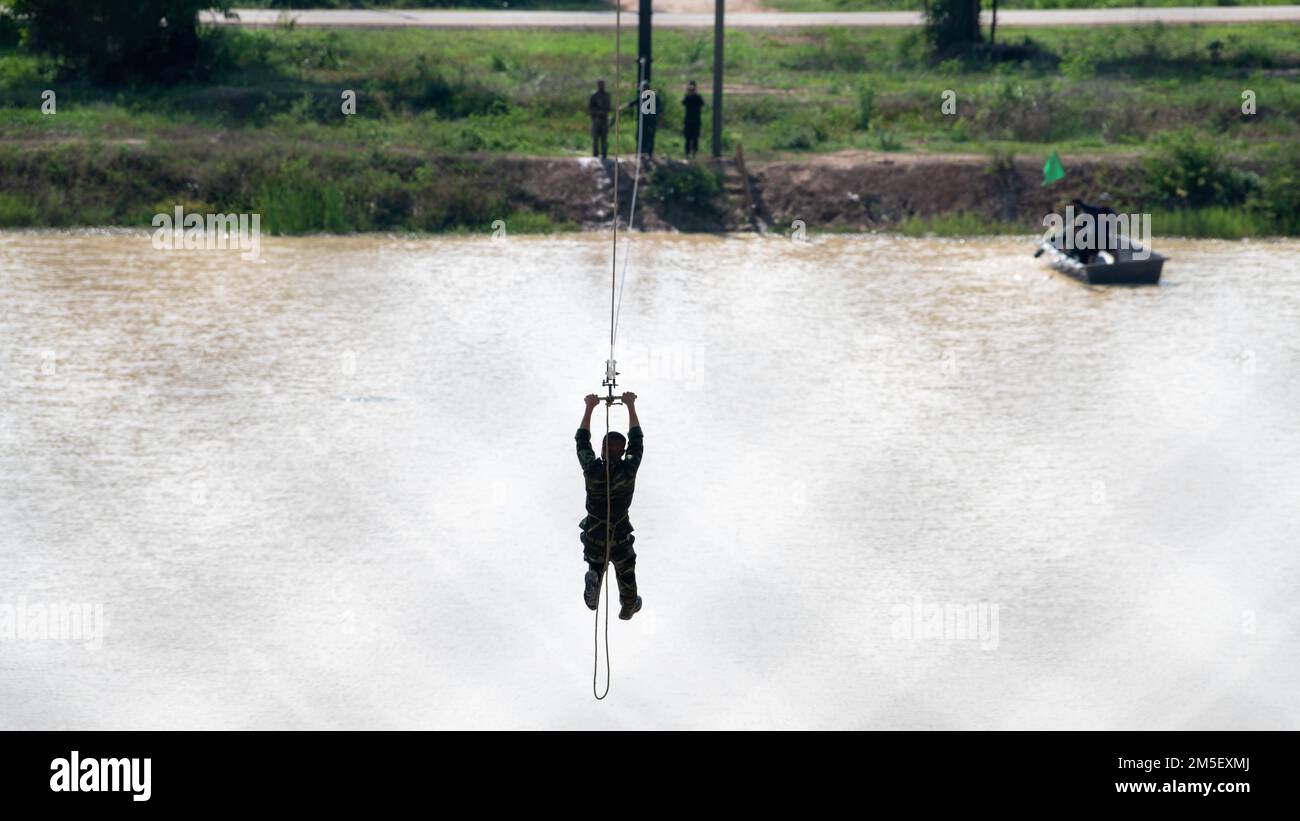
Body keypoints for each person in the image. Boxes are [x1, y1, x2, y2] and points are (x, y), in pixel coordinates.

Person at [575, 392, 643, 620]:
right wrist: (631, 405)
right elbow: (637, 441)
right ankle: (628, 603)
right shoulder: (628, 469)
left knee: (596, 560)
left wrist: (590, 407)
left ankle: (594, 574)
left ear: (602, 450)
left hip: (595, 533)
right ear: (622, 452)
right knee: (626, 569)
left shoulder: (592, 469)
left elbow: (582, 441)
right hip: (619, 533)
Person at [623, 81, 658, 159]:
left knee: (649, 137)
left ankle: (648, 154)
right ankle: (641, 152)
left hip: (650, 121)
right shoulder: (642, 96)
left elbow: (659, 109)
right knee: (640, 136)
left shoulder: (653, 96)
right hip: (643, 121)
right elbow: (633, 102)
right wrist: (623, 107)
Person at [588, 80, 611, 160]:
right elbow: (590, 108)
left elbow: (609, 107)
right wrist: (596, 113)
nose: (601, 86)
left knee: (604, 138)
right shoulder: (594, 95)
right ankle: (595, 154)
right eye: (599, 84)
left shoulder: (607, 95)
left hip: (604, 119)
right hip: (596, 119)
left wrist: (604, 112)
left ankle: (604, 154)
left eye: (602, 84)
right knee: (595, 138)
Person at [682, 81, 705, 158]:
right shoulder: (687, 97)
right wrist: (688, 94)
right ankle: (687, 153)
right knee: (687, 138)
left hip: (696, 121)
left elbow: (702, 103)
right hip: (688, 120)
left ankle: (694, 154)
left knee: (695, 138)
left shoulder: (698, 97)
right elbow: (683, 102)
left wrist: (695, 94)